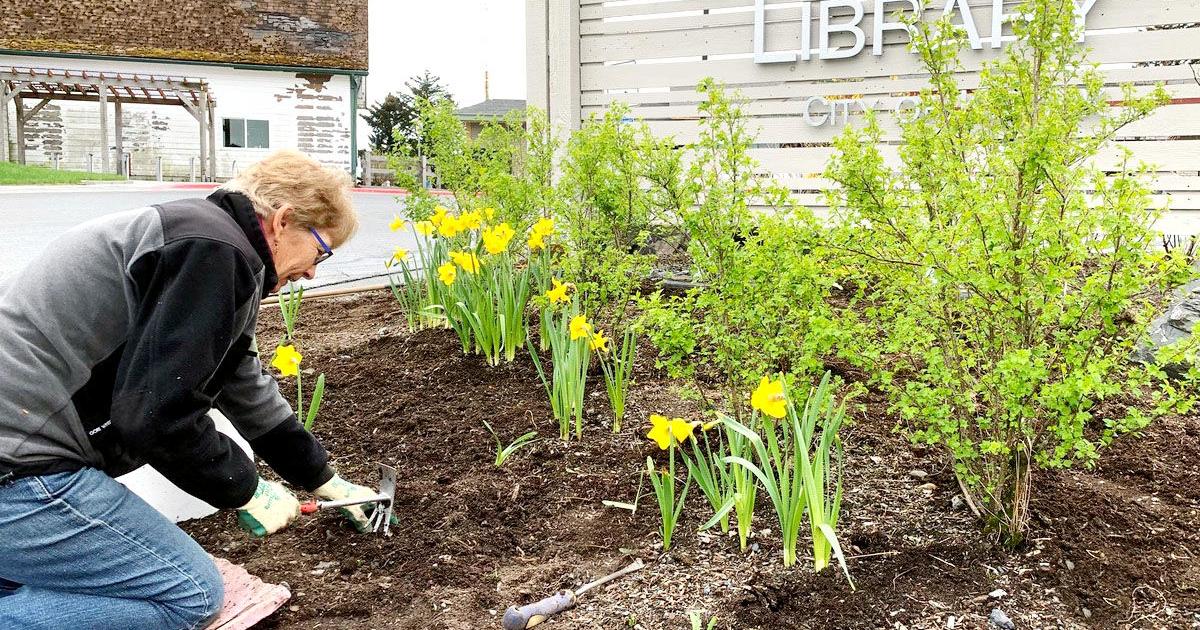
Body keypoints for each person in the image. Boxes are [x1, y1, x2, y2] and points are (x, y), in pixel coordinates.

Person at [0, 149, 383, 630]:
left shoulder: (208, 240)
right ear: (283, 220)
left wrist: (323, 478)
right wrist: (246, 489)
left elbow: (240, 378)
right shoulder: (213, 251)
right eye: (321, 251)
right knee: (190, 594)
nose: (313, 272)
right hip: (19, 467)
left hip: (17, 450)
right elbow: (156, 416)